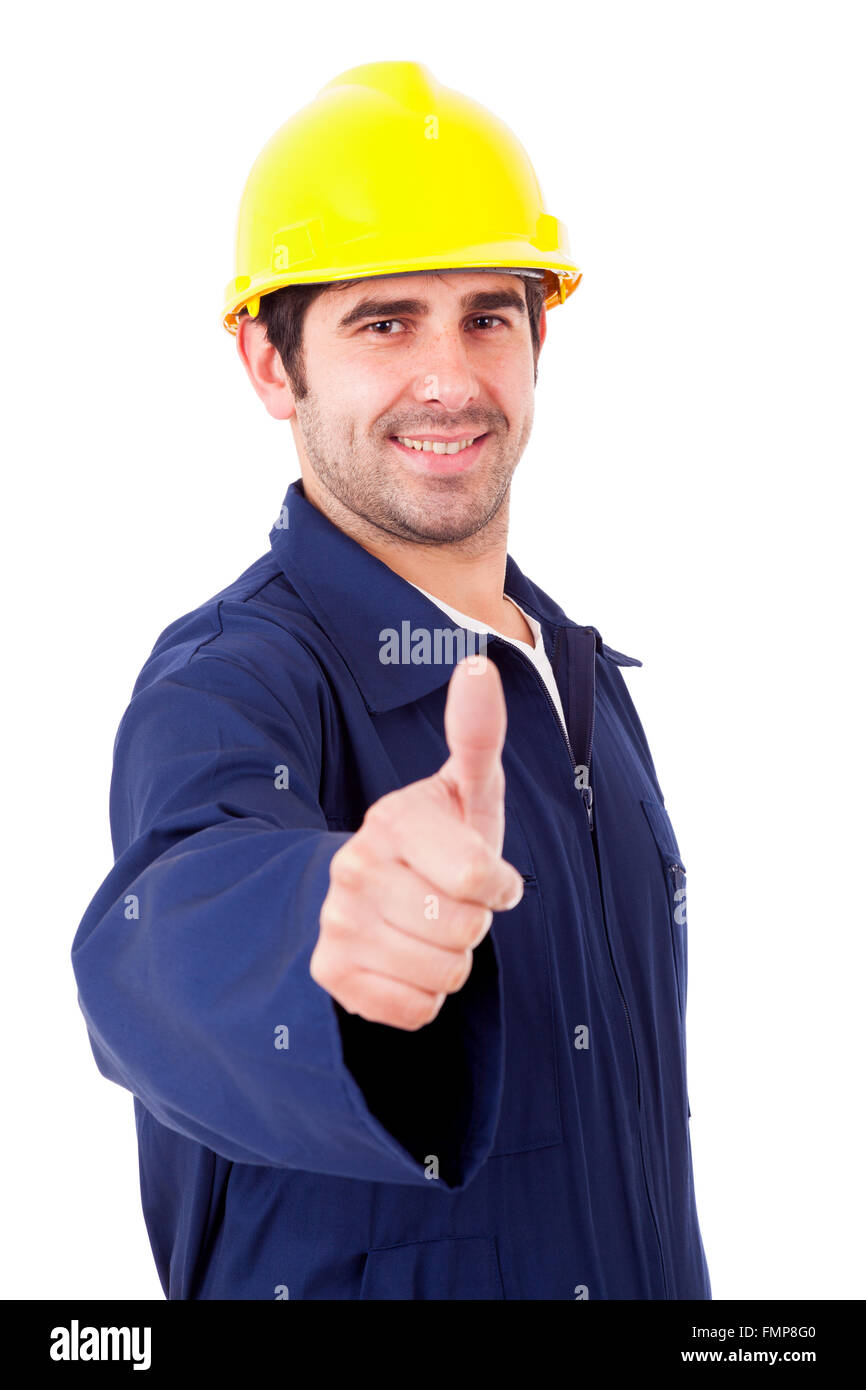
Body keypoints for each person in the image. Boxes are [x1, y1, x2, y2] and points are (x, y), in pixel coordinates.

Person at [71, 60, 711, 1300]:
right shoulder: (236, 678)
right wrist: (318, 923)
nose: (448, 378)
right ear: (270, 362)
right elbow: (158, 936)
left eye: (485, 314)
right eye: (383, 322)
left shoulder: (576, 680)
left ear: (538, 341)